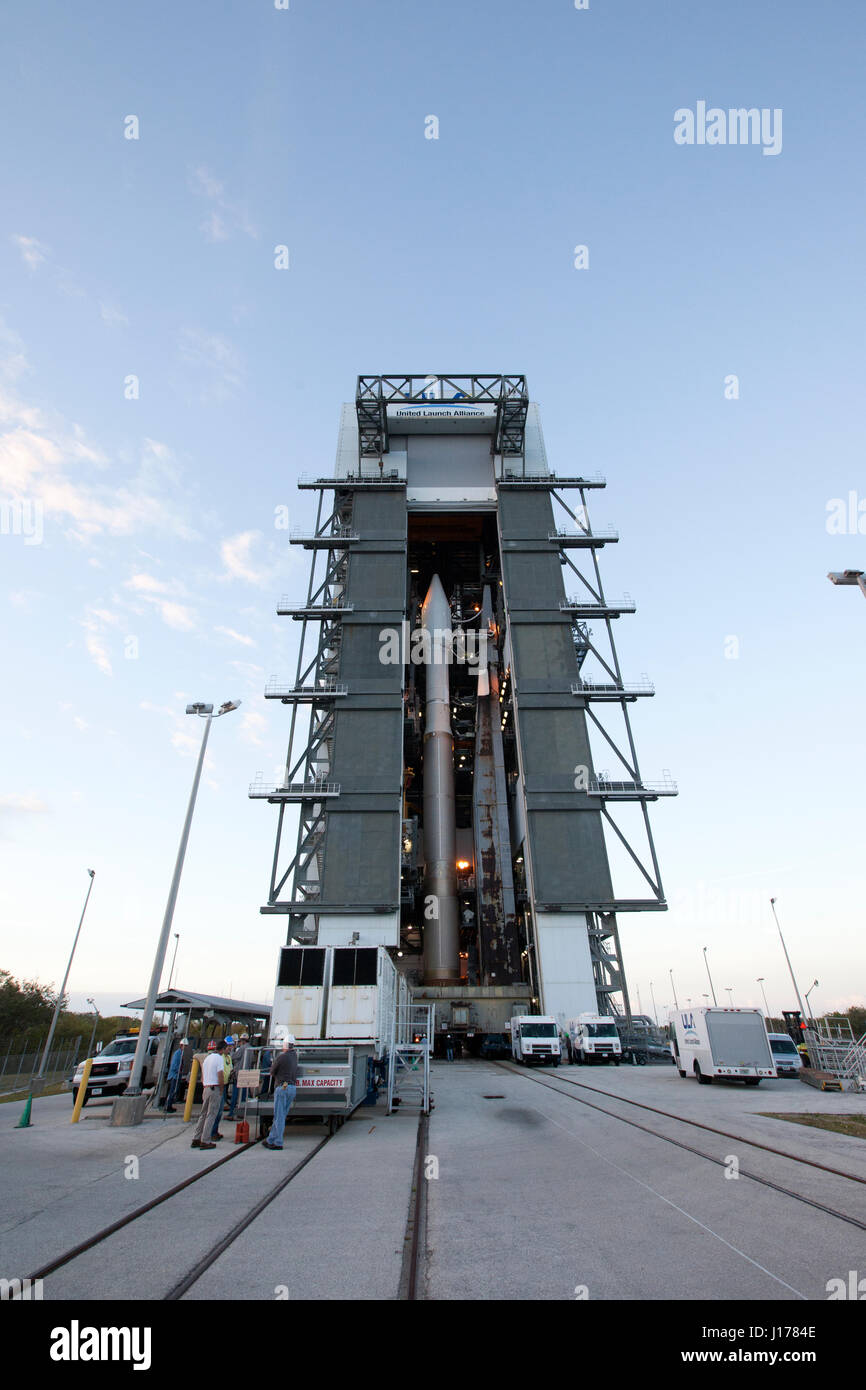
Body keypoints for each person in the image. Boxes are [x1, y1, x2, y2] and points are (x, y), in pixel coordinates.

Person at [264, 1035, 298, 1150]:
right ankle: (270, 1139)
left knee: (279, 1116)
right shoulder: (295, 1056)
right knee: (281, 1115)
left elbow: (272, 1072)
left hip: (282, 1087)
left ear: (286, 1045)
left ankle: (278, 1142)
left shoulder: (281, 1057)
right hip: (292, 1088)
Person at [191, 1040, 227, 1150]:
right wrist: (221, 1089)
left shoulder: (207, 1058)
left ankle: (196, 1138)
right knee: (211, 1114)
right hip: (214, 1088)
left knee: (203, 1114)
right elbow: (220, 1074)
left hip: (206, 1088)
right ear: (223, 1049)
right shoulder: (219, 1058)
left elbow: (203, 1075)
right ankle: (205, 1140)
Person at [209, 1037, 234, 1140]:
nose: (231, 1048)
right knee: (216, 1110)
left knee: (219, 1111)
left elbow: (230, 1069)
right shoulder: (219, 1057)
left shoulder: (228, 1057)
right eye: (229, 1046)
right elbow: (219, 1073)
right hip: (218, 1086)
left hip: (224, 1085)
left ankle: (214, 1131)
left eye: (231, 1046)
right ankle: (211, 1132)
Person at [227, 1033, 254, 1118]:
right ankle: (242, 1113)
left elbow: (233, 1057)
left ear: (242, 1041)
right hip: (247, 1074)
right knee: (244, 1095)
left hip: (239, 1074)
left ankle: (232, 1113)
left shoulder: (242, 1048)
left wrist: (232, 1050)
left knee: (235, 1094)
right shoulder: (251, 1049)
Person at [164, 1037, 188, 1113]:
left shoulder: (180, 1053)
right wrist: (178, 1071)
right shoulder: (178, 1053)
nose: (185, 1047)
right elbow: (174, 1065)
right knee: (172, 1091)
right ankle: (167, 1106)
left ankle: (169, 1105)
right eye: (185, 1045)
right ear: (181, 1045)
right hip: (174, 1075)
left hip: (177, 1075)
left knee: (174, 1091)